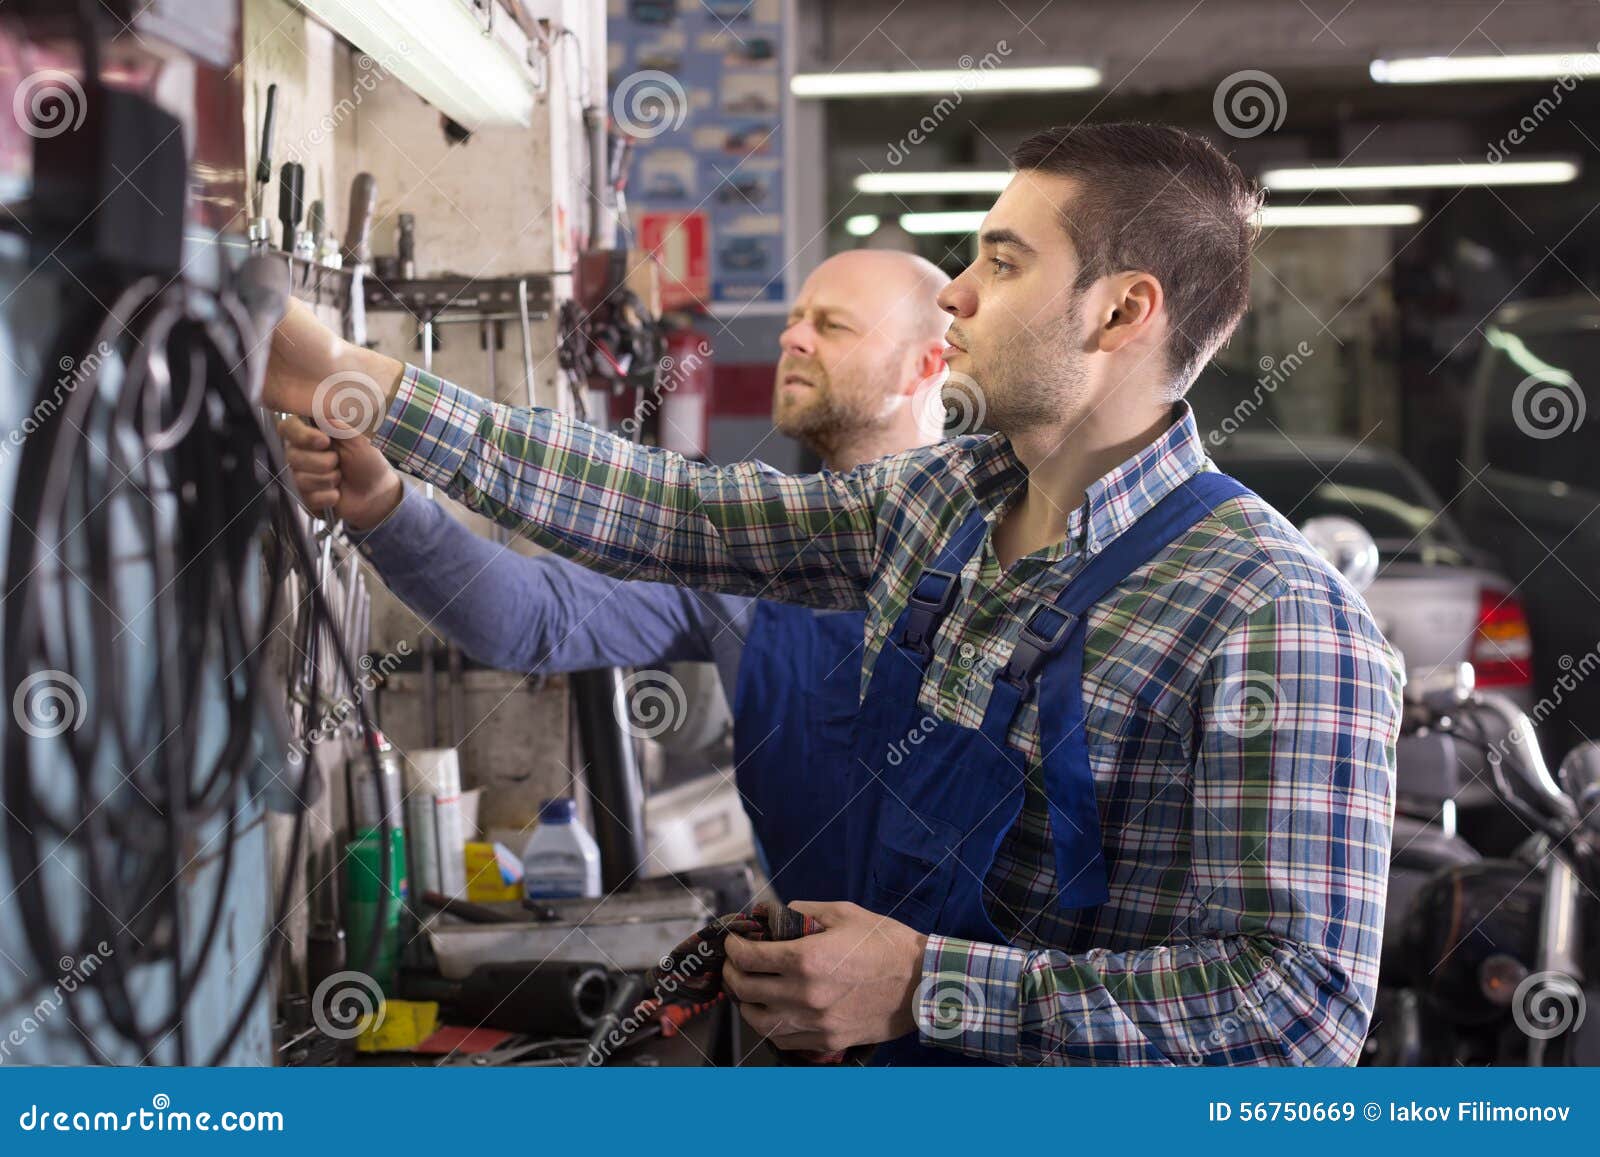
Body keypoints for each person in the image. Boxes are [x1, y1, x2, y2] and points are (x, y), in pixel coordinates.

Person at [264, 122, 1404, 1067]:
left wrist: (925, 982)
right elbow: (671, 512)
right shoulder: (937, 505)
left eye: (1002, 262)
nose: (958, 291)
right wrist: (344, 380)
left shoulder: (1271, 612)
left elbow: (1295, 1013)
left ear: (1120, 313)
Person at [279, 249, 950, 903]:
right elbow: (529, 620)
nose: (792, 336)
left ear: (928, 364)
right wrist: (383, 508)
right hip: (813, 987)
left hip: (965, 995)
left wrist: (350, 376)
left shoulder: (985, 552)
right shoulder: (747, 558)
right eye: (796, 317)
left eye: (831, 325)